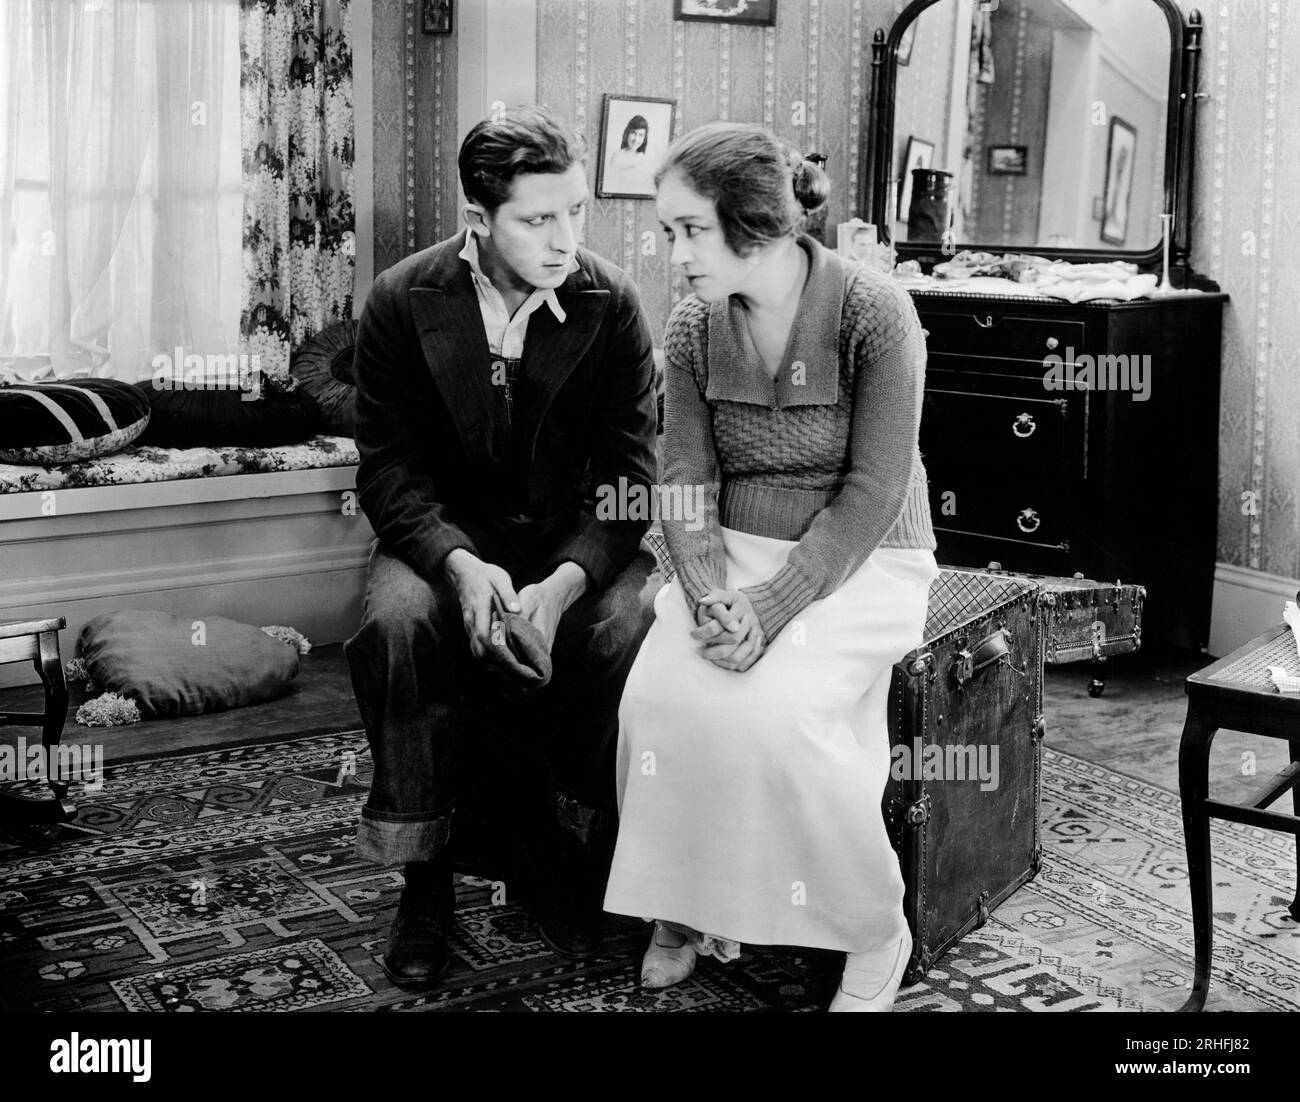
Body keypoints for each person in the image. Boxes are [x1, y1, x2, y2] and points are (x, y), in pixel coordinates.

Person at [602, 123, 939, 1012]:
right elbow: (682, 481)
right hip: (731, 556)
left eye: (688, 231)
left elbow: (875, 486)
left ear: (753, 226)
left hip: (863, 558)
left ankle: (875, 929)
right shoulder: (690, 325)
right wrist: (712, 595)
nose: (673, 253)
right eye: (667, 232)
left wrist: (777, 604)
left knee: (783, 719)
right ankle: (681, 908)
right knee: (658, 704)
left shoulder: (875, 312)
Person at [345, 105, 659, 990]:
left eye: (577, 213)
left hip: (576, 542)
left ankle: (576, 847)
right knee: (399, 622)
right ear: (477, 217)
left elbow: (630, 480)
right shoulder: (401, 300)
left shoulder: (614, 303)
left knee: (629, 624)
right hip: (446, 537)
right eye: (538, 219)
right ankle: (427, 872)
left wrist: (562, 587)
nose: (566, 241)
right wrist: (456, 563)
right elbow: (390, 475)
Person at [603, 114, 653, 195]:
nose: (636, 139)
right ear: (627, 133)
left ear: (644, 139)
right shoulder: (617, 156)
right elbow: (610, 184)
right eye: (633, 133)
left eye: (641, 135)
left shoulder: (643, 159)